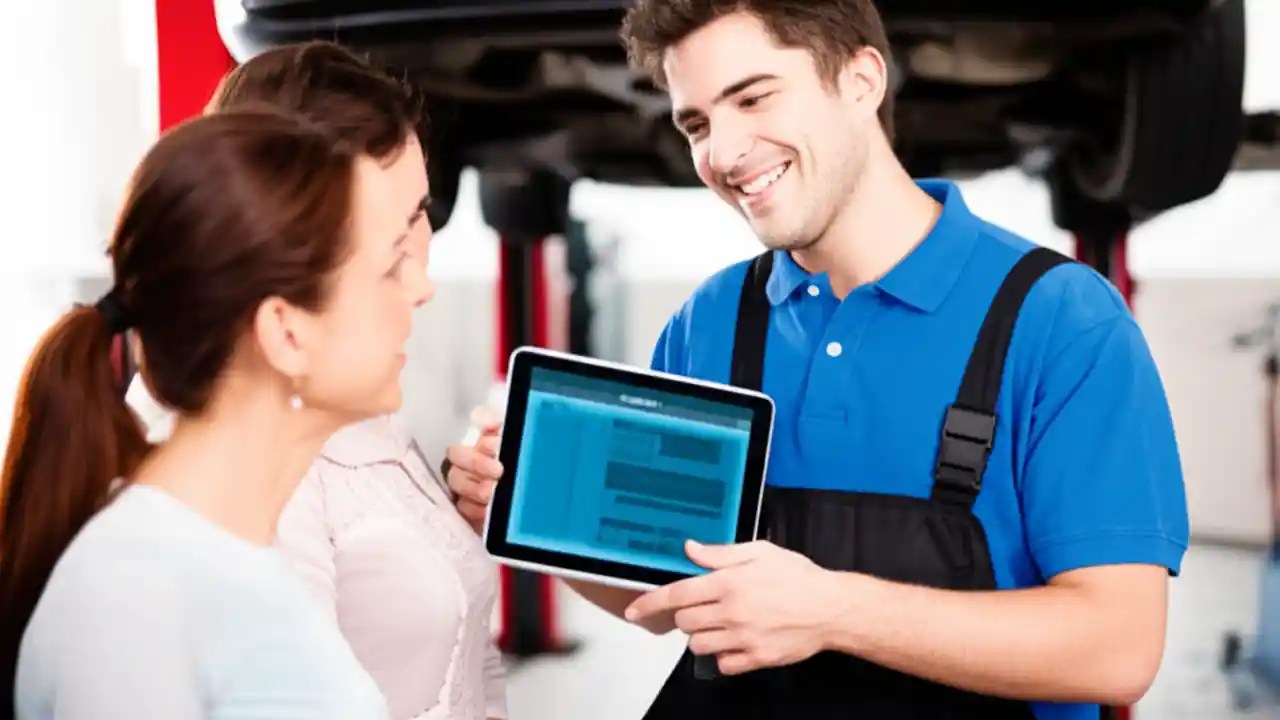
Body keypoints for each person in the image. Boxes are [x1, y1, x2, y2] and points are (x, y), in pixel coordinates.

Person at [447, 1, 1191, 719]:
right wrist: (528, 513)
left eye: (754, 98)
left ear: (862, 81)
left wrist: (832, 612)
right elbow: (667, 598)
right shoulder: (710, 323)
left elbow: (1117, 648)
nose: (723, 154)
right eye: (697, 123)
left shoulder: (1060, 320)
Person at [0, 107, 433, 719]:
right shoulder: (131, 596)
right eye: (389, 269)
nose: (420, 289)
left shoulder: (235, 559)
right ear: (285, 333)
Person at [203, 41, 509, 720]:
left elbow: (464, 654)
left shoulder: (361, 399)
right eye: (392, 236)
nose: (422, 279)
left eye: (422, 213)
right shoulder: (246, 458)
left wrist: (448, 523)